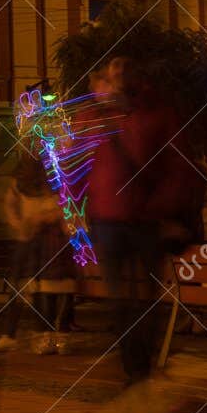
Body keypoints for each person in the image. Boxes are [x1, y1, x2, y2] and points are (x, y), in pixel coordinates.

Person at [86, 57, 181, 386]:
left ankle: (141, 364)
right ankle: (134, 367)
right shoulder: (97, 117)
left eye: (116, 77)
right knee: (120, 300)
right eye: (105, 80)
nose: (108, 85)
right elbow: (82, 168)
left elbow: (175, 165)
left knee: (144, 298)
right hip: (107, 221)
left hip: (144, 219)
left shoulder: (153, 113)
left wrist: (163, 210)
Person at [0, 157, 77, 353]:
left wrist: (42, 219)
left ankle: (40, 334)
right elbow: (10, 204)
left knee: (41, 286)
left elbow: (59, 203)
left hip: (44, 238)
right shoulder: (22, 178)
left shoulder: (50, 174)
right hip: (29, 237)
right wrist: (21, 225)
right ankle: (14, 334)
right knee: (22, 284)